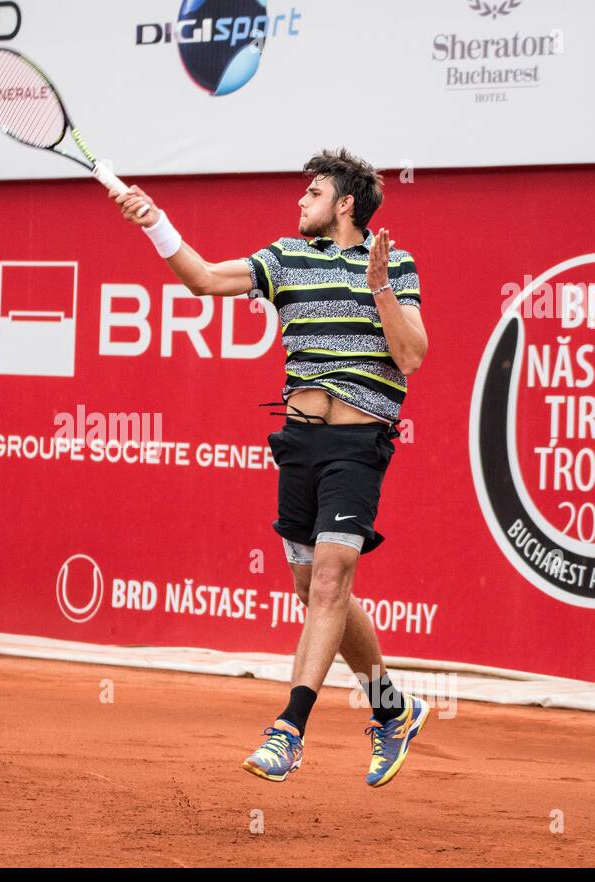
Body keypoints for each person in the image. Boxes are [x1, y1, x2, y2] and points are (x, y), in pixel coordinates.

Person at [114, 148, 431, 787]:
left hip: (358, 445)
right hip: (299, 444)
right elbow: (202, 278)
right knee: (318, 589)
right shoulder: (284, 259)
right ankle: (393, 707)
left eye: (312, 193)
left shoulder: (394, 265)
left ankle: (288, 729)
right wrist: (153, 221)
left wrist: (379, 289)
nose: (300, 201)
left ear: (345, 205)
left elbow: (412, 355)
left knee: (330, 582)